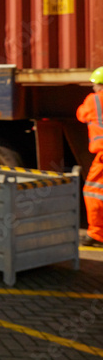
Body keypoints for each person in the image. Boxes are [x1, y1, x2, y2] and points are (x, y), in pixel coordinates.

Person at [77, 66, 103, 247]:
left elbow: (81, 114)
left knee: (92, 191)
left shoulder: (94, 100)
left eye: (94, 84)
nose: (93, 88)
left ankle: (96, 234)